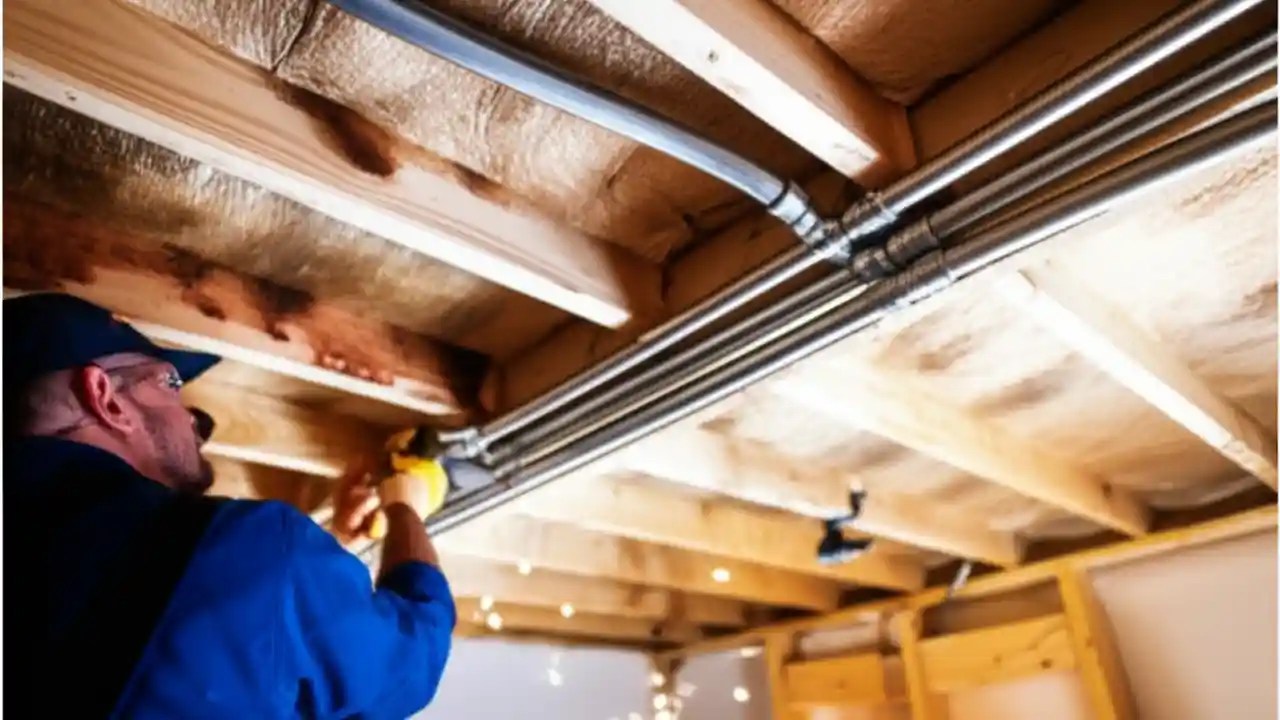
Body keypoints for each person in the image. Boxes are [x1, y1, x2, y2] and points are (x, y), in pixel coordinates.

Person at [4, 293, 456, 718]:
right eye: (170, 382)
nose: (195, 420)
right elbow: (415, 651)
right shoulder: (254, 551)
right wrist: (404, 504)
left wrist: (323, 560)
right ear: (106, 399)